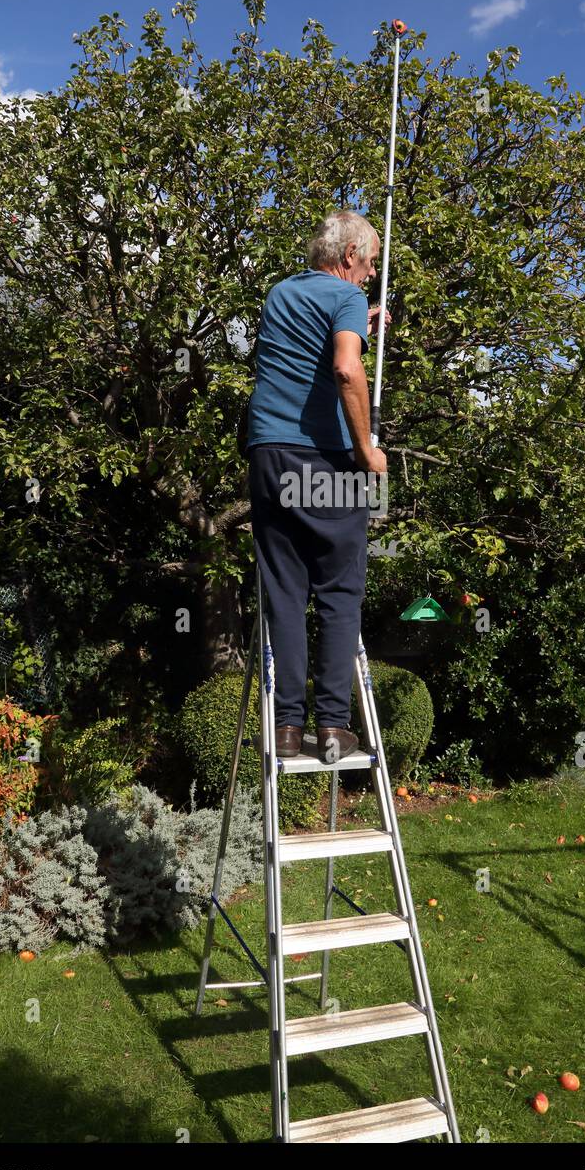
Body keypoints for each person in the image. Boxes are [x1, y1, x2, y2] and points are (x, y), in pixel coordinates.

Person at [246, 209, 389, 761]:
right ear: (349, 255)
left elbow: (307, 349)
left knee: (284, 589)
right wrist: (365, 450)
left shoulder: (280, 293)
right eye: (370, 261)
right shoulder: (346, 297)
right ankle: (331, 726)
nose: (371, 273)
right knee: (337, 590)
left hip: (268, 455)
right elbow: (347, 370)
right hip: (324, 461)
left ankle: (286, 728)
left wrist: (359, 322)